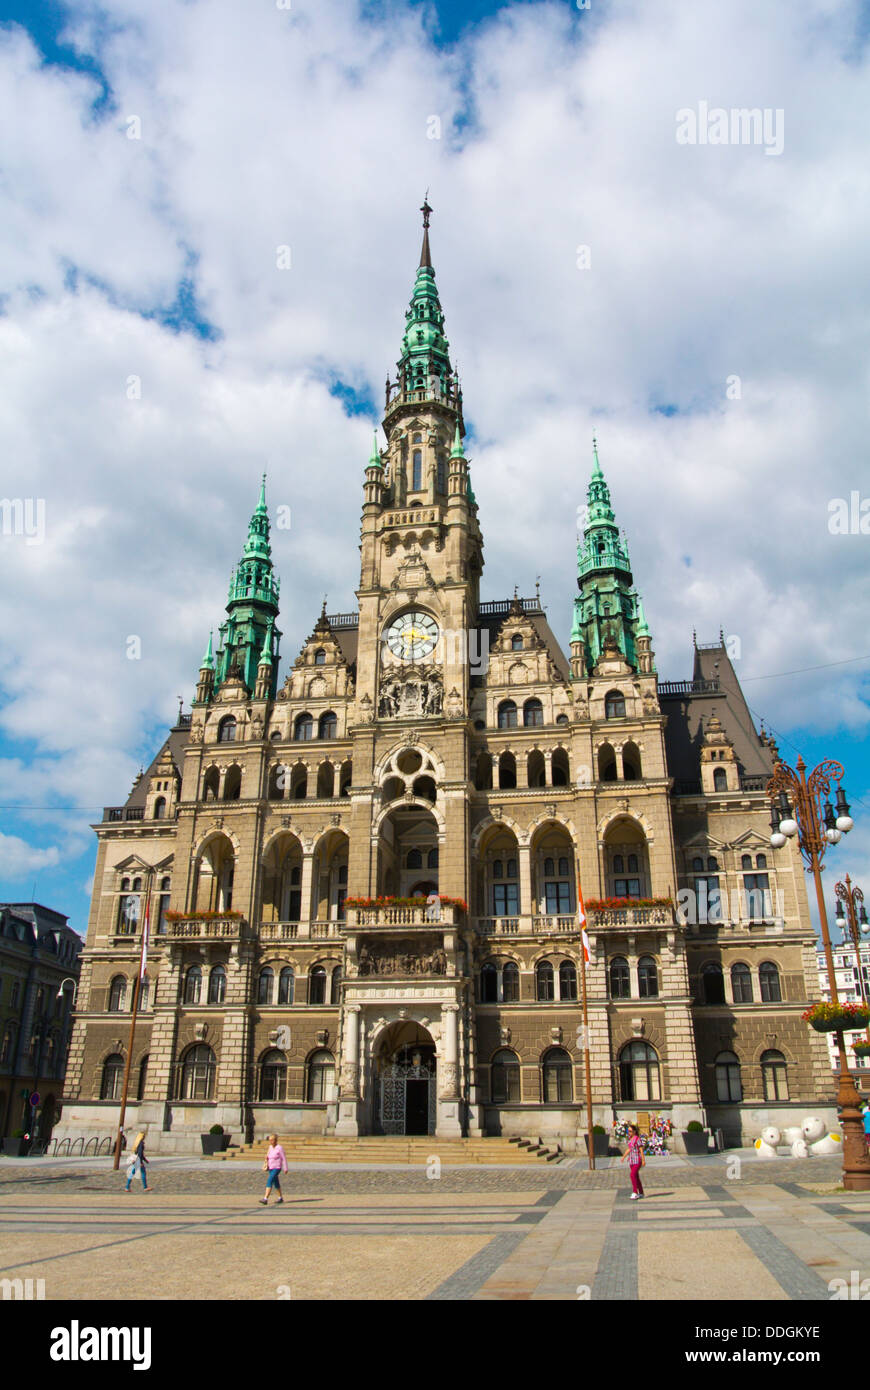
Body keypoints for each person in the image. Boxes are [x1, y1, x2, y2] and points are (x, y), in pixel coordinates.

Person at [260, 1133, 288, 1205]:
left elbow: (283, 1158)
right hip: (271, 1167)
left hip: (277, 1167)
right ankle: (280, 1197)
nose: (271, 1141)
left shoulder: (279, 1148)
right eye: (270, 1140)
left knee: (270, 1180)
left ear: (275, 1140)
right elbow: (268, 1155)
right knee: (276, 1182)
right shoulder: (270, 1147)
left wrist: (285, 1168)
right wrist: (266, 1159)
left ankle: (265, 1198)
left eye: (272, 1140)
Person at [621, 1123, 645, 1199]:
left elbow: (641, 1150)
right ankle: (641, 1192)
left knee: (632, 1175)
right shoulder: (630, 1139)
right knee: (636, 1176)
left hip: (637, 1160)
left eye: (631, 1131)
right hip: (631, 1160)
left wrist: (643, 1160)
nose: (629, 1133)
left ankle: (635, 1192)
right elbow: (629, 1149)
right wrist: (623, 1157)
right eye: (628, 1131)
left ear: (634, 1131)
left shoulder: (637, 1139)